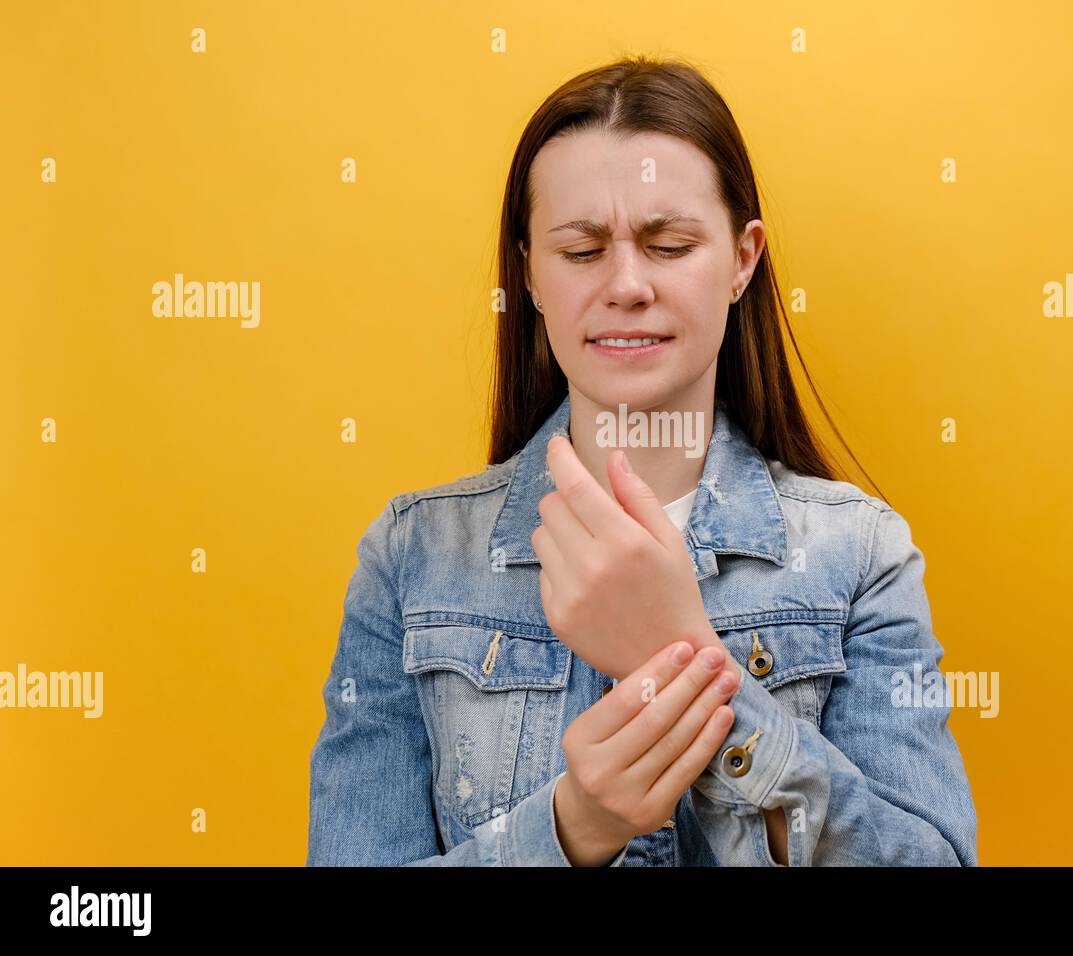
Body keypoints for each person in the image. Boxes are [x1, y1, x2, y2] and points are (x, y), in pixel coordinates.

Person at [306, 54, 977, 867]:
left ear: (741, 260)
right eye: (582, 251)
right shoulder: (410, 560)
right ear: (531, 274)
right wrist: (573, 828)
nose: (626, 285)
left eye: (669, 244)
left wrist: (685, 658)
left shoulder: (862, 557)